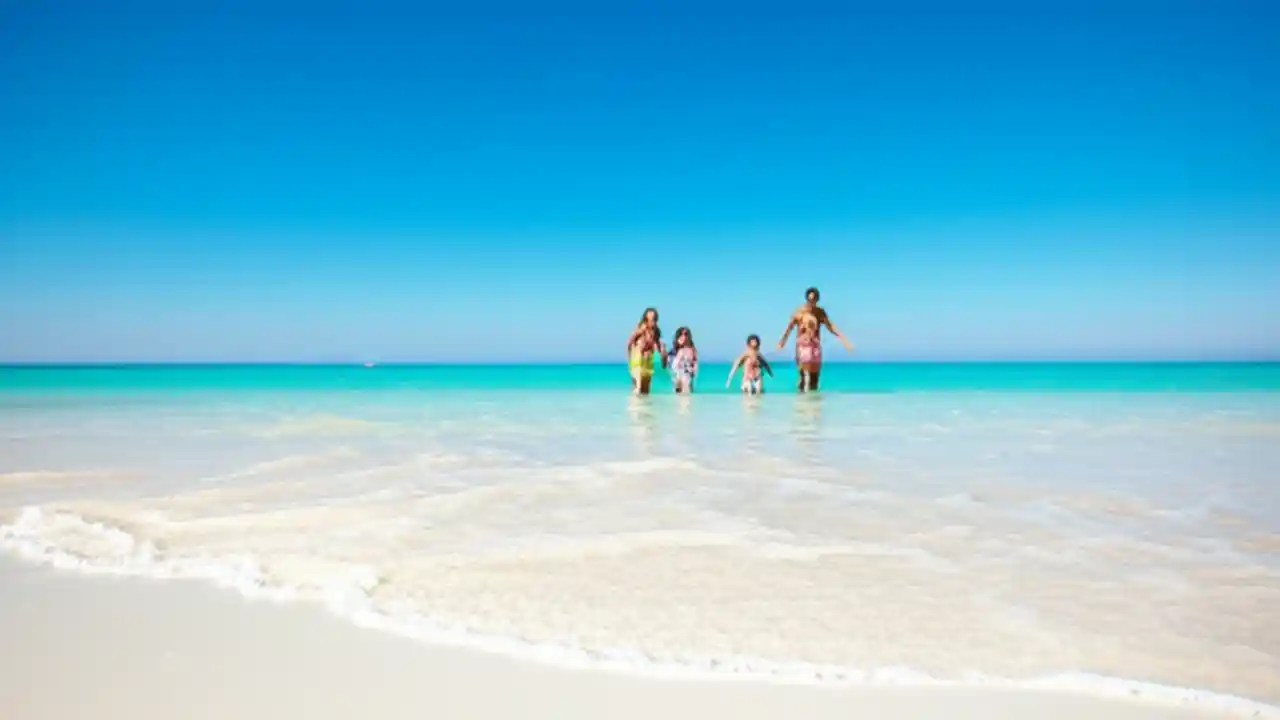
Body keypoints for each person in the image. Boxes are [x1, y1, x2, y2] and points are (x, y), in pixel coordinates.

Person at [776, 286, 853, 392]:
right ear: (806, 299)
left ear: (817, 299)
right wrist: (782, 342)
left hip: (815, 346)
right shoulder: (799, 312)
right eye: (810, 299)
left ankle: (814, 405)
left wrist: (843, 339)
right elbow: (789, 328)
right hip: (803, 346)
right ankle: (801, 403)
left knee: (815, 377)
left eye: (814, 299)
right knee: (804, 375)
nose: (811, 302)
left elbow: (830, 326)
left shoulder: (820, 312)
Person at [626, 307, 666, 395]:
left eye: (654, 319)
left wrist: (663, 359)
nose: (652, 321)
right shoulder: (642, 328)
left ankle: (644, 408)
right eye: (649, 319)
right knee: (638, 388)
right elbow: (629, 342)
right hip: (638, 361)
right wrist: (629, 359)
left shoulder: (656, 331)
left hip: (648, 363)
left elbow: (659, 346)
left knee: (646, 391)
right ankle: (634, 407)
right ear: (646, 318)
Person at [667, 326, 698, 393]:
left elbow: (695, 365)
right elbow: (671, 368)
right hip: (677, 379)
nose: (683, 336)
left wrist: (693, 371)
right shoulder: (672, 352)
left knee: (688, 393)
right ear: (677, 337)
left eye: (686, 334)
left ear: (689, 337)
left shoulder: (693, 351)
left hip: (687, 378)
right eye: (681, 334)